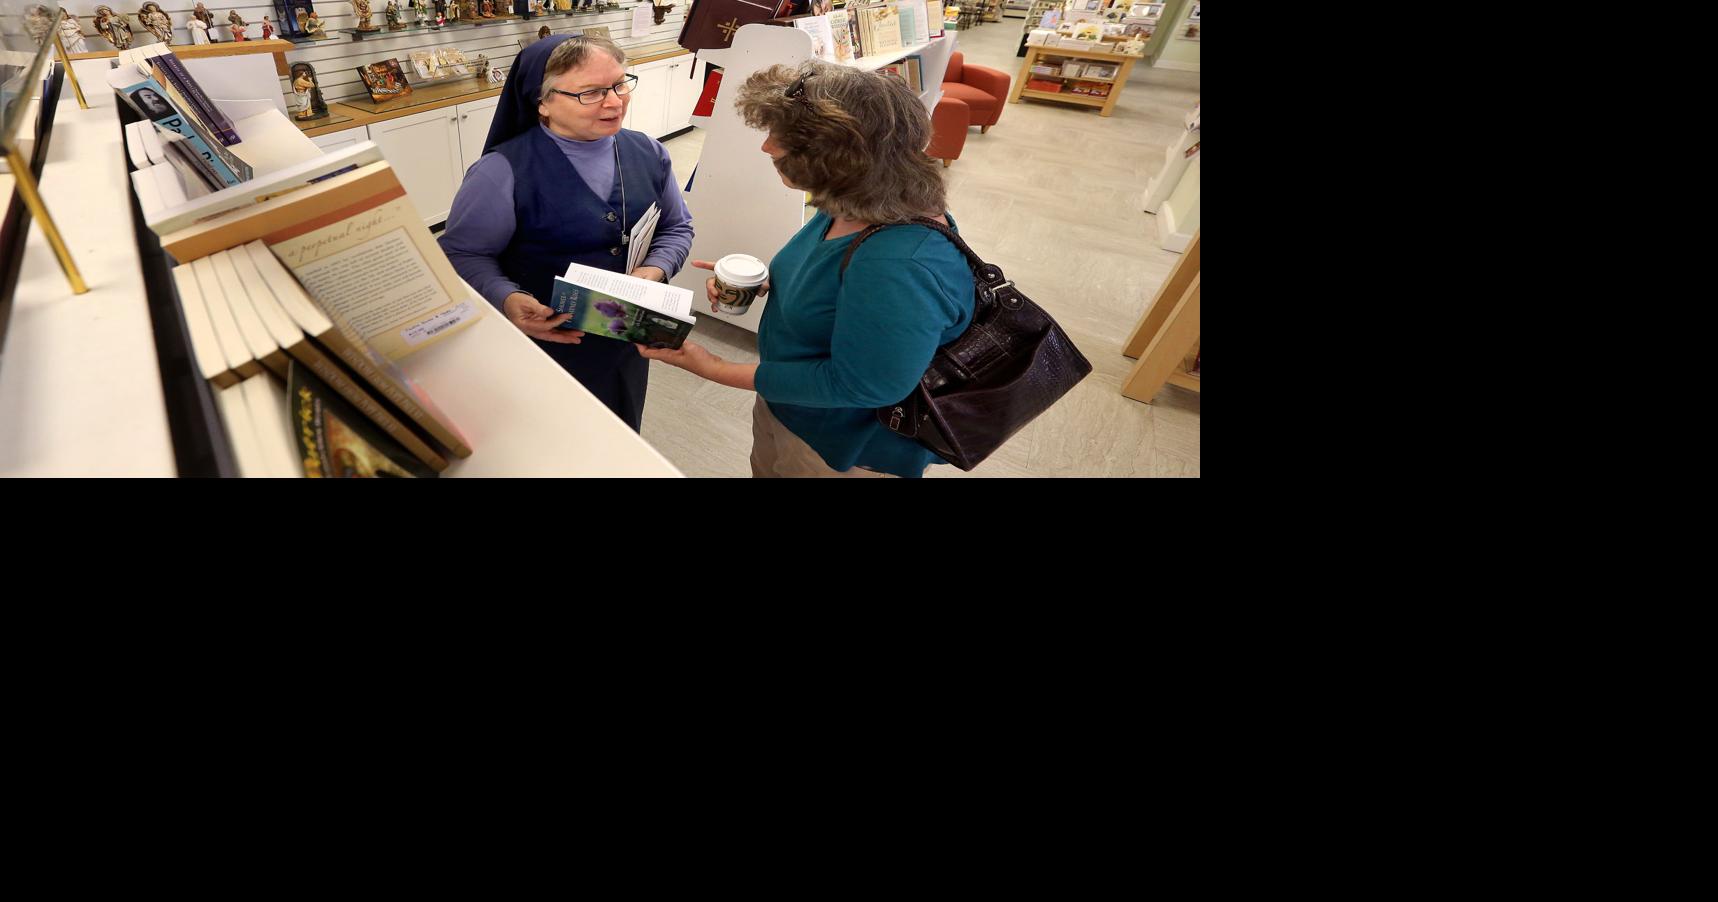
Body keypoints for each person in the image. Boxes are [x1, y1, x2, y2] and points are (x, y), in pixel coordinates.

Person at [636, 61, 975, 478]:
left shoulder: (899, 261)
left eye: (783, 138)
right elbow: (838, 281)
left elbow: (869, 385)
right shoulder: (853, 200)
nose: (767, 147)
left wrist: (715, 368)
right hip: (793, 412)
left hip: (843, 448)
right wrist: (767, 281)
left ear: (841, 154)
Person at [439, 35, 694, 432]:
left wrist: (655, 269)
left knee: (618, 435)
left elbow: (676, 226)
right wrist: (506, 297)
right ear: (542, 102)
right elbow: (461, 254)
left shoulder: (648, 151)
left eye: (619, 83)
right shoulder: (500, 172)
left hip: (624, 344)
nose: (614, 102)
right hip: (540, 350)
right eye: (590, 92)